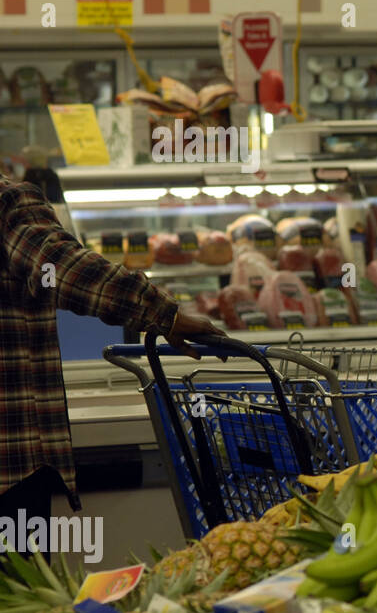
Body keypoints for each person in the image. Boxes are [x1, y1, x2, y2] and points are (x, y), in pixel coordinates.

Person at [0, 175, 222, 535]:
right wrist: (164, 314)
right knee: (19, 589)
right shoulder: (8, 201)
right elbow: (63, 269)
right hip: (10, 467)